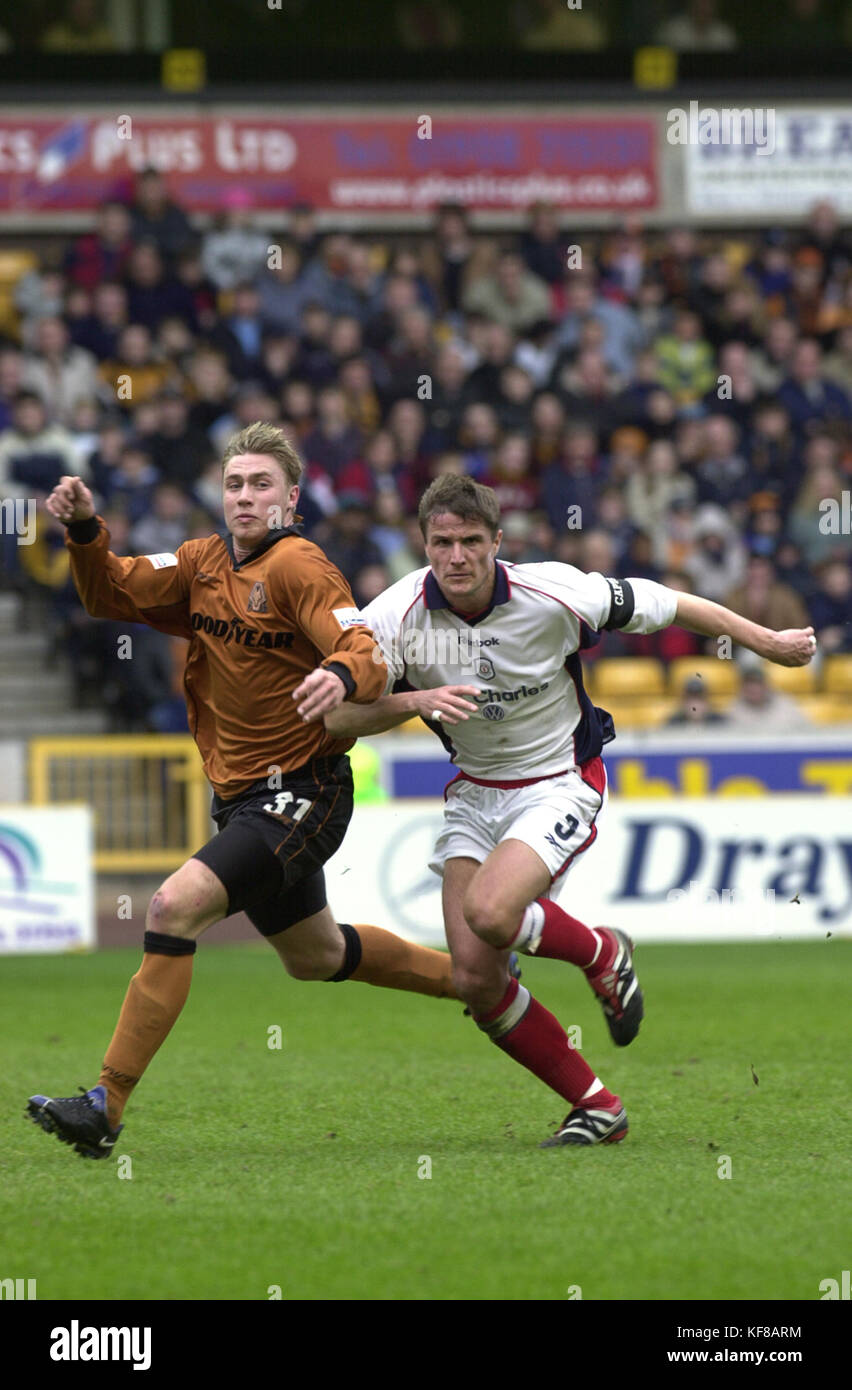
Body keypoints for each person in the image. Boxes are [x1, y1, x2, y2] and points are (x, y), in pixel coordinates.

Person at [324, 475, 817, 1148]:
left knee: (492, 913)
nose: (457, 556)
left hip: (559, 780)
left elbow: (671, 603)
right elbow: (338, 715)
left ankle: (601, 952)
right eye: (443, 542)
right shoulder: (394, 615)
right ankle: (597, 1106)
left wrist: (766, 642)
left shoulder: (555, 592)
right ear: (424, 544)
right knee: (473, 976)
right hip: (473, 790)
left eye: (472, 541)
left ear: (498, 543)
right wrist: (413, 703)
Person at [26, 422, 467, 1161]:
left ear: (290, 498)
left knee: (173, 905)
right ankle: (477, 983)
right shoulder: (201, 562)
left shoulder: (301, 567)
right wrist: (82, 528)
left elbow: (362, 649)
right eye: (234, 484)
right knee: (316, 957)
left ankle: (105, 1103)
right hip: (243, 797)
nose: (245, 496)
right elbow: (111, 594)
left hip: (305, 790)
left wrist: (342, 675)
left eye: (261, 484)